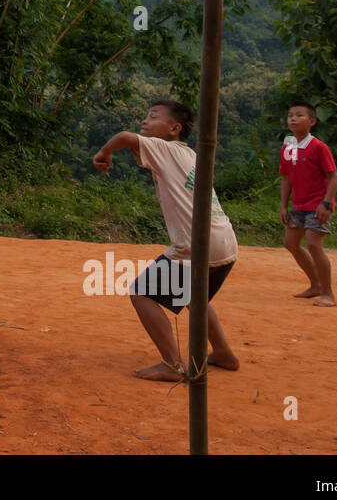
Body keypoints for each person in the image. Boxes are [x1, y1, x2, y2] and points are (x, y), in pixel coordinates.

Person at [92, 100, 240, 382]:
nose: (144, 121)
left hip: (195, 246)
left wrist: (104, 152)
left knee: (141, 293)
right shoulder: (190, 154)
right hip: (225, 241)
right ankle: (223, 352)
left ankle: (172, 364)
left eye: (153, 116)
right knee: (195, 298)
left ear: (174, 128)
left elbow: (124, 137)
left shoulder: (164, 147)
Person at [279, 100, 337, 307]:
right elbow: (286, 177)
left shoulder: (319, 147)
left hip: (317, 204)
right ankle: (315, 285)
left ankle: (328, 293)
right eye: (290, 115)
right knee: (291, 243)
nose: (293, 119)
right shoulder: (288, 146)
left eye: (299, 115)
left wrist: (326, 203)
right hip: (298, 205)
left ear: (312, 121)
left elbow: (333, 177)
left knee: (313, 245)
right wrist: (283, 206)